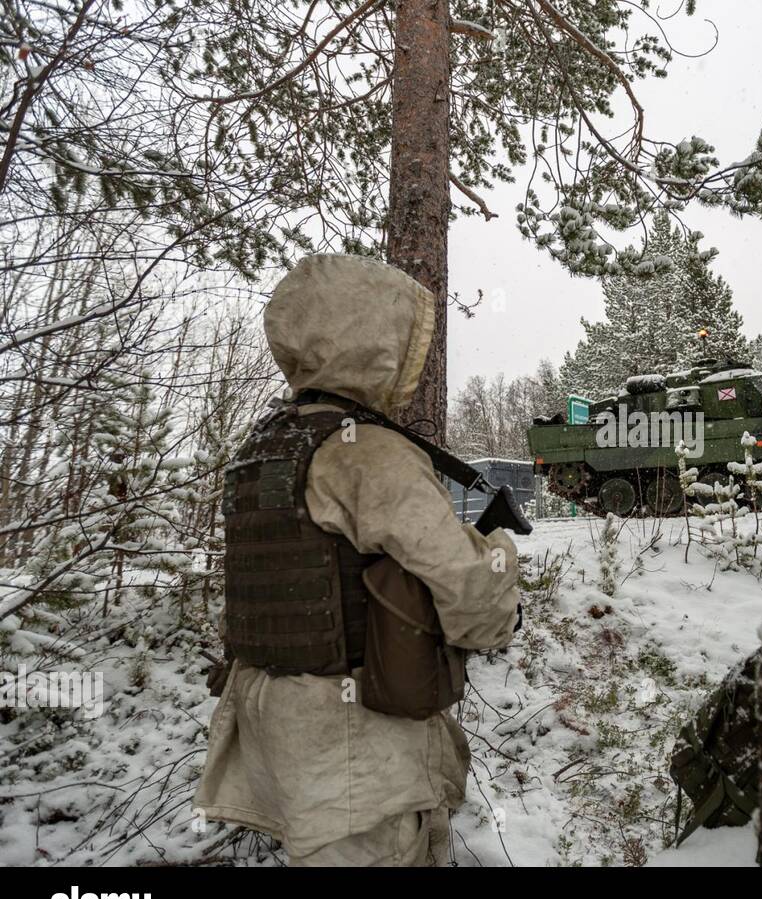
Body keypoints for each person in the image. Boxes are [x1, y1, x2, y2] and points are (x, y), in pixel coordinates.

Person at [195, 254, 520, 866]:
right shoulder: (366, 452)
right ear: (375, 342)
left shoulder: (263, 445)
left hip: (276, 733)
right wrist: (500, 556)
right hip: (358, 745)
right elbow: (473, 592)